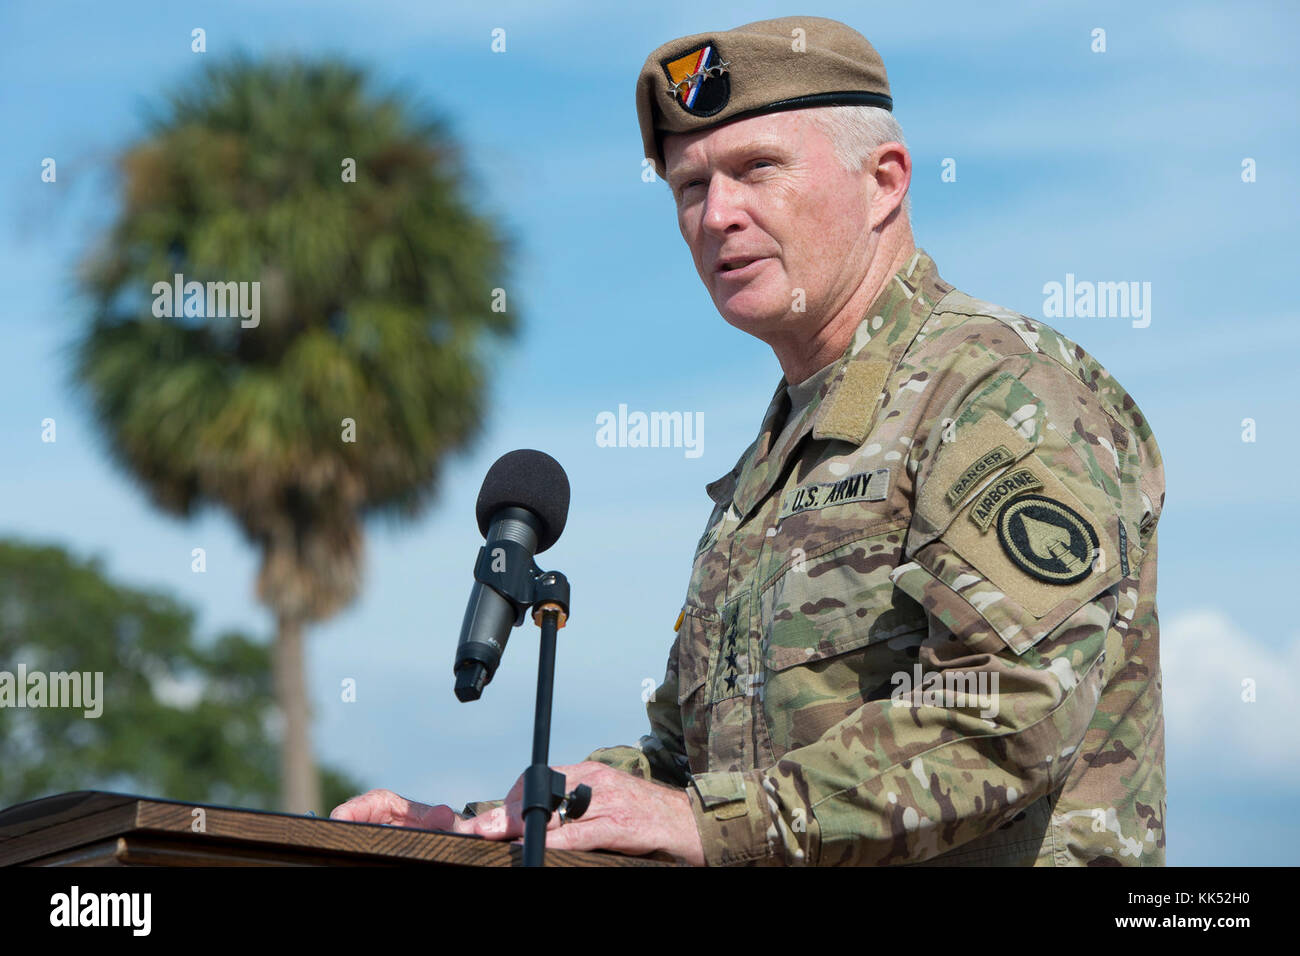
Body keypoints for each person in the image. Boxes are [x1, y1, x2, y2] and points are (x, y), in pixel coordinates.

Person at [331, 16, 1166, 867]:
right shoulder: (777, 458)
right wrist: (495, 826)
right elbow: (688, 772)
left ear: (884, 182)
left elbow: (1008, 707)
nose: (717, 215)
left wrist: (712, 826)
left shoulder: (995, 392)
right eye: (690, 187)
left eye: (757, 169)